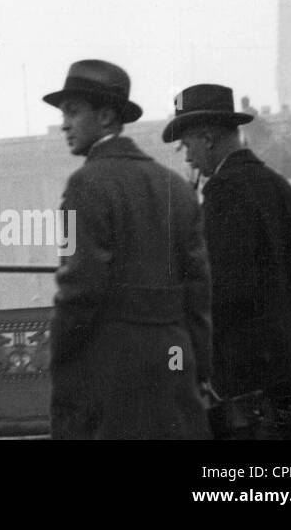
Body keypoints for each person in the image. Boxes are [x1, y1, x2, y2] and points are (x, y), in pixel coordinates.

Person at [42, 59, 211, 439]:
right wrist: (199, 371)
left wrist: (61, 363)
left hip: (113, 367)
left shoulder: (83, 186)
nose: (64, 124)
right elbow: (198, 293)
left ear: (105, 117)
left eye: (72, 111)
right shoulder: (177, 187)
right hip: (174, 360)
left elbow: (78, 288)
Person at [164, 83, 291, 439]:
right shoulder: (278, 187)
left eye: (187, 145)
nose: (188, 158)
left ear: (208, 138)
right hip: (288, 385)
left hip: (245, 394)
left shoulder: (224, 193)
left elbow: (221, 294)